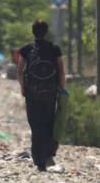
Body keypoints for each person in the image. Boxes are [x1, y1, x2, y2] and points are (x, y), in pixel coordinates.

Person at [16, 19, 65, 172]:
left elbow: (19, 70)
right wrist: (61, 89)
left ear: (33, 32)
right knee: (49, 124)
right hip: (50, 93)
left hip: (32, 94)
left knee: (36, 126)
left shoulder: (26, 49)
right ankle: (49, 154)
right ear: (46, 32)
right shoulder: (54, 49)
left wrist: (23, 87)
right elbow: (61, 71)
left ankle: (39, 161)